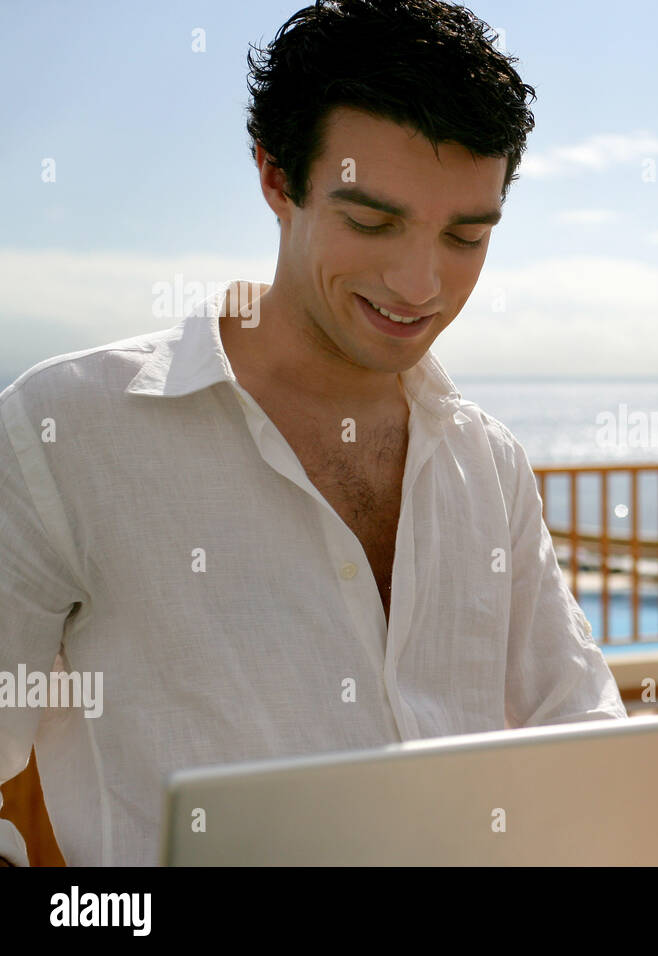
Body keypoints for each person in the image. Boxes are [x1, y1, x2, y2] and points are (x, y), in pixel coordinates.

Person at [0, 0, 626, 867]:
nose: (419, 283)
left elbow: (584, 735)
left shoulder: (489, 465)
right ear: (274, 177)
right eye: (371, 222)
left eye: (466, 235)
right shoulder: (63, 431)